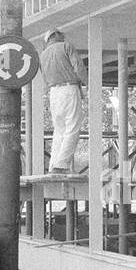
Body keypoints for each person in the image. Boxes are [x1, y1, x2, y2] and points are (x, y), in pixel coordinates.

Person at [41, 29, 87, 174]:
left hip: (54, 93)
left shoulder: (43, 55)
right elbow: (78, 67)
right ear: (55, 35)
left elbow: (44, 77)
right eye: (60, 34)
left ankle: (53, 165)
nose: (63, 35)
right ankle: (61, 164)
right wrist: (88, 83)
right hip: (69, 89)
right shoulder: (66, 46)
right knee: (72, 128)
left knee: (59, 131)